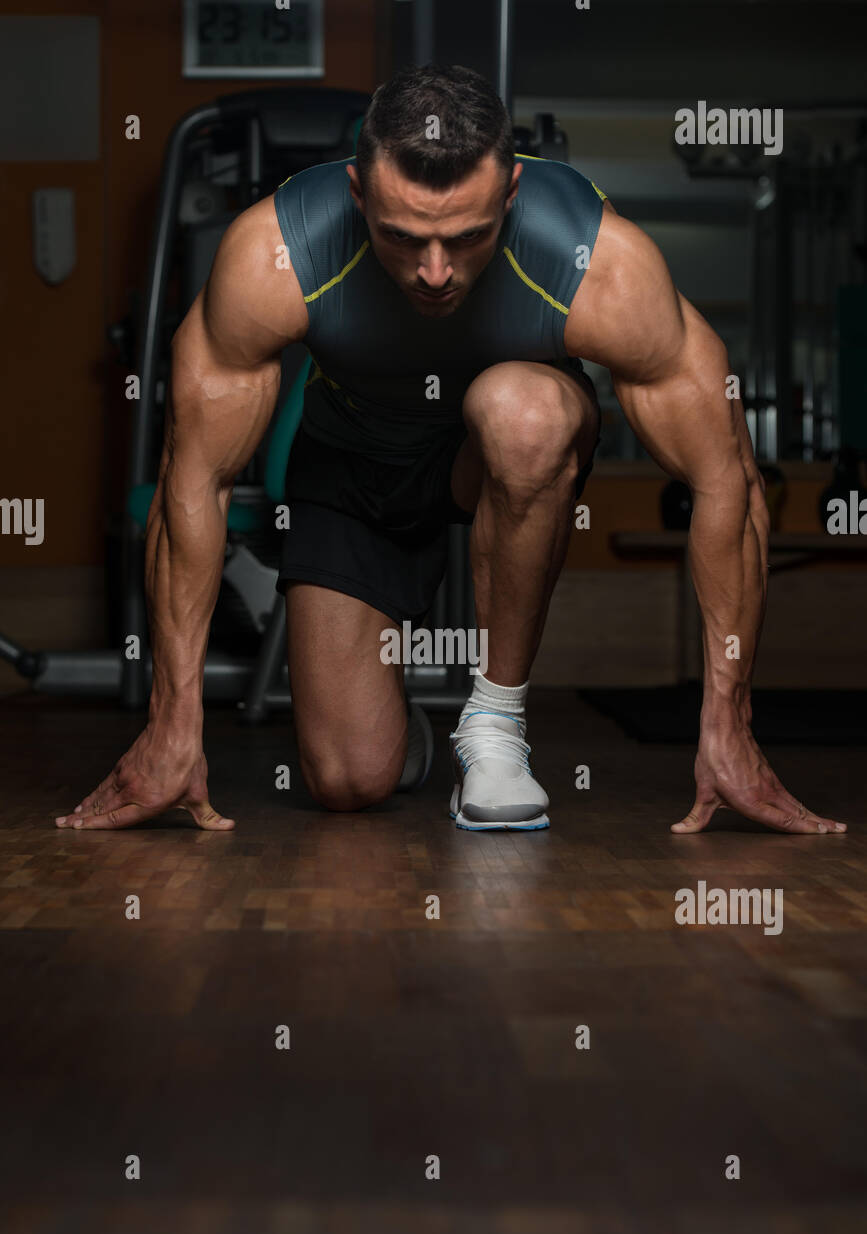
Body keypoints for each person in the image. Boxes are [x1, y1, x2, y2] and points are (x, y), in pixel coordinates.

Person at [56, 65, 845, 836]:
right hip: (355, 463)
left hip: (500, 449)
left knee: (523, 411)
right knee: (346, 781)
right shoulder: (274, 254)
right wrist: (170, 724)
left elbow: (726, 484)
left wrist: (729, 724)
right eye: (403, 239)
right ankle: (406, 739)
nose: (434, 273)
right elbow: (192, 482)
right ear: (358, 194)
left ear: (510, 194)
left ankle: (495, 729)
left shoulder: (598, 266)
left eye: (466, 239)